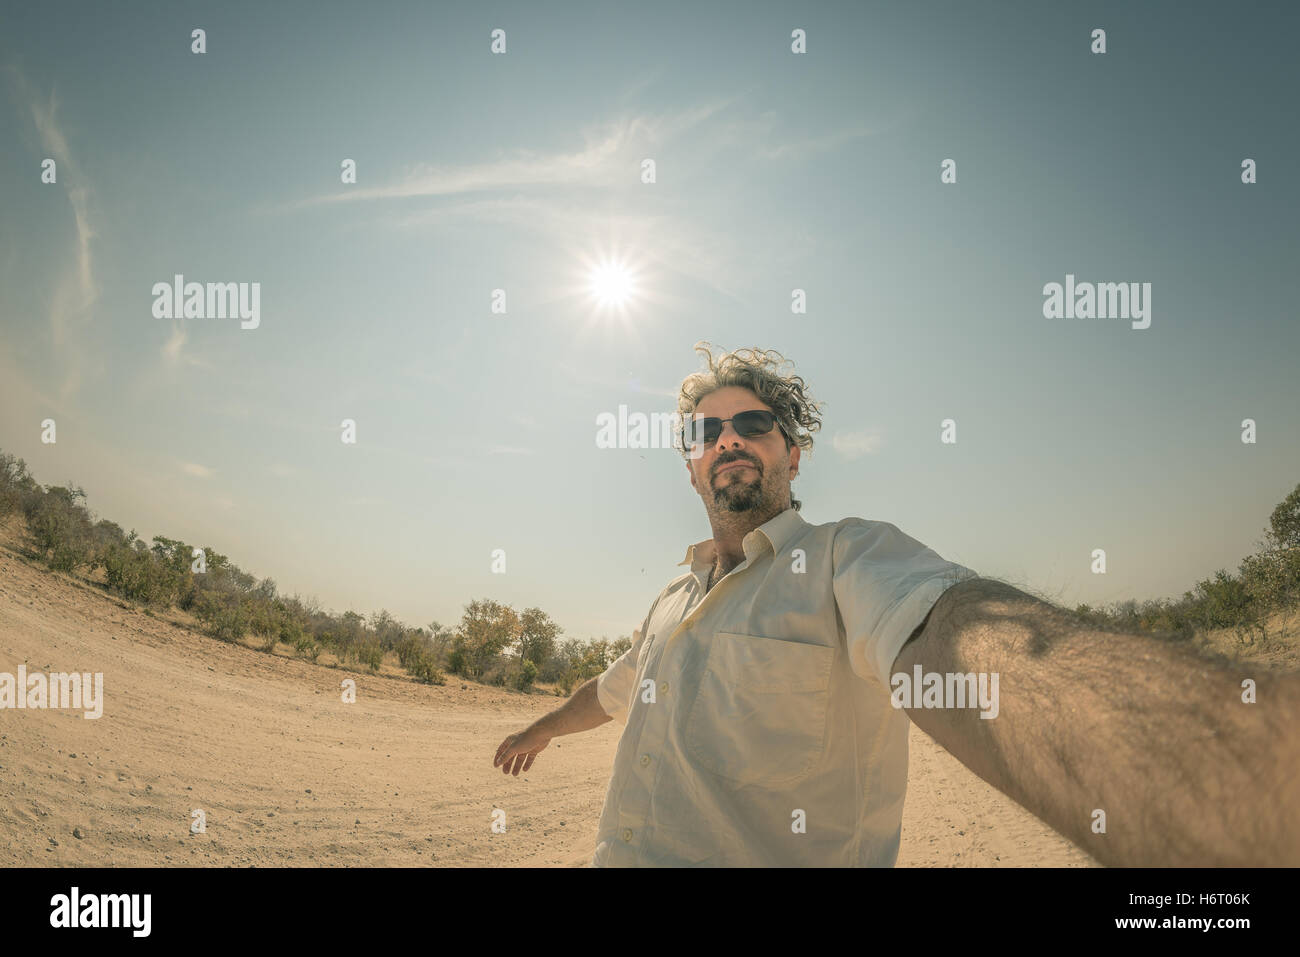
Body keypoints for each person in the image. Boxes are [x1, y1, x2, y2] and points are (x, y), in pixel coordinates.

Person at [493, 342, 1300, 866]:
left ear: (793, 453)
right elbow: (612, 688)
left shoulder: (848, 557)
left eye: (753, 423)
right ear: (692, 468)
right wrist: (539, 728)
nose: (728, 439)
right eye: (708, 432)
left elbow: (958, 635)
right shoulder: (674, 595)